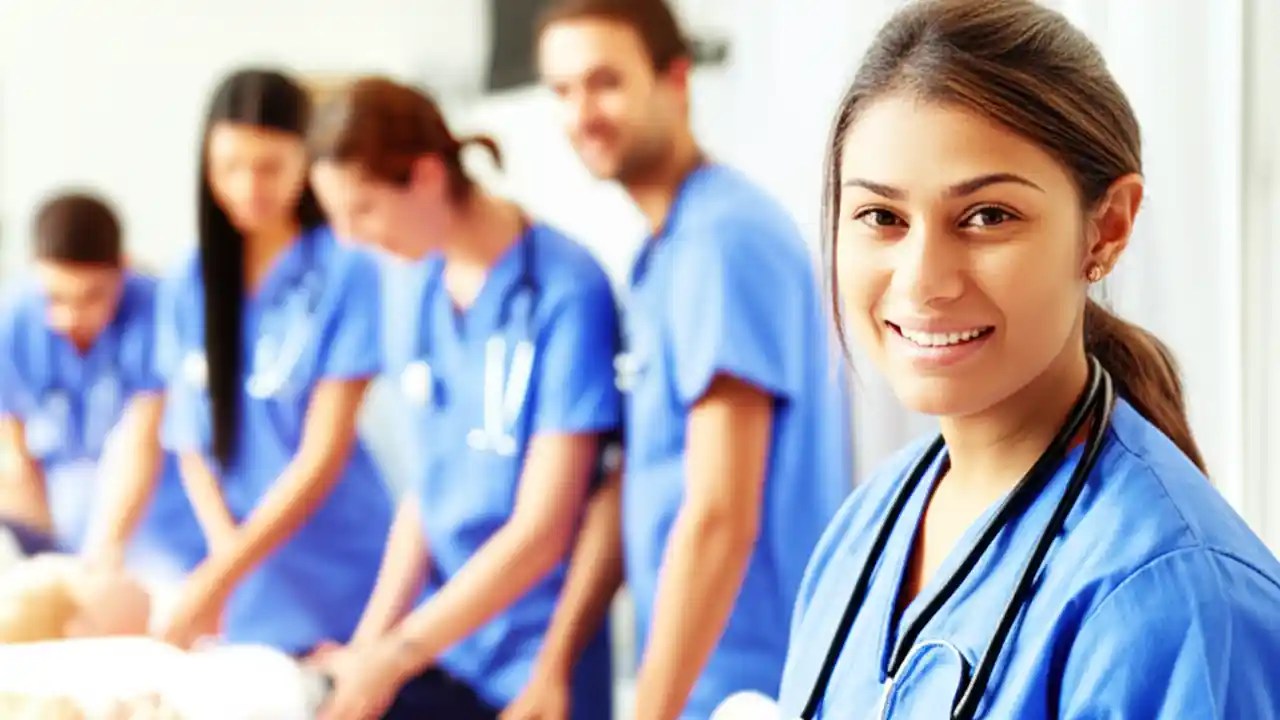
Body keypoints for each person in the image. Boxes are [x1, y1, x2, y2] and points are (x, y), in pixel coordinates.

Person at [775, 1, 1280, 718]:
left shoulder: (1177, 602)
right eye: (882, 217)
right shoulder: (865, 532)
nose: (922, 279)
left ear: (1106, 230)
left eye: (987, 217)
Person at [529, 1, 854, 717]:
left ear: (675, 79)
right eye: (561, 89)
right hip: (697, 680)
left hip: (751, 681)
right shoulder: (661, 253)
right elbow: (647, 481)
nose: (581, 112)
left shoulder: (720, 240)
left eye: (604, 81)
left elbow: (718, 513)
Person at [305, 77, 620, 720]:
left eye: (362, 210)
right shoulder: (413, 285)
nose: (351, 239)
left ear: (423, 176)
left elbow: (543, 529)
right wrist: (368, 652)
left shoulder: (564, 290)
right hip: (445, 648)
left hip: (537, 661)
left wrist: (394, 656)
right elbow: (427, 493)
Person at [152, 68, 394, 656]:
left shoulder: (346, 268)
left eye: (269, 166)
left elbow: (323, 451)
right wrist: (225, 561)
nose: (247, 186)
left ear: (307, 163)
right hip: (242, 572)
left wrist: (222, 572)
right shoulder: (189, 282)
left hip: (338, 564)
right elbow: (190, 439)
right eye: (229, 166)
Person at [0, 192, 205, 582]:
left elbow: (139, 442)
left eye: (92, 296)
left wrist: (102, 553)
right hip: (64, 501)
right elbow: (15, 453)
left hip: (156, 509)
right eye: (56, 297)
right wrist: (44, 555)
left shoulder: (156, 310)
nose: (71, 316)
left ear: (122, 270)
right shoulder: (13, 320)